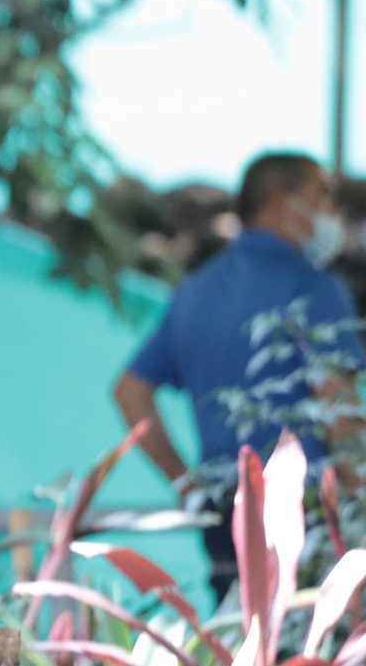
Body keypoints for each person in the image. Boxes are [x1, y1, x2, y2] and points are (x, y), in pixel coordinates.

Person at [114, 151, 362, 596]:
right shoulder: (315, 289)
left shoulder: (194, 292)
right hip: (308, 517)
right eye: (321, 195)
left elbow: (130, 392)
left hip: (226, 514)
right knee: (313, 657)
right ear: (283, 203)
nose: (333, 212)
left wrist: (186, 485)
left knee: (238, 653)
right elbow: (340, 420)